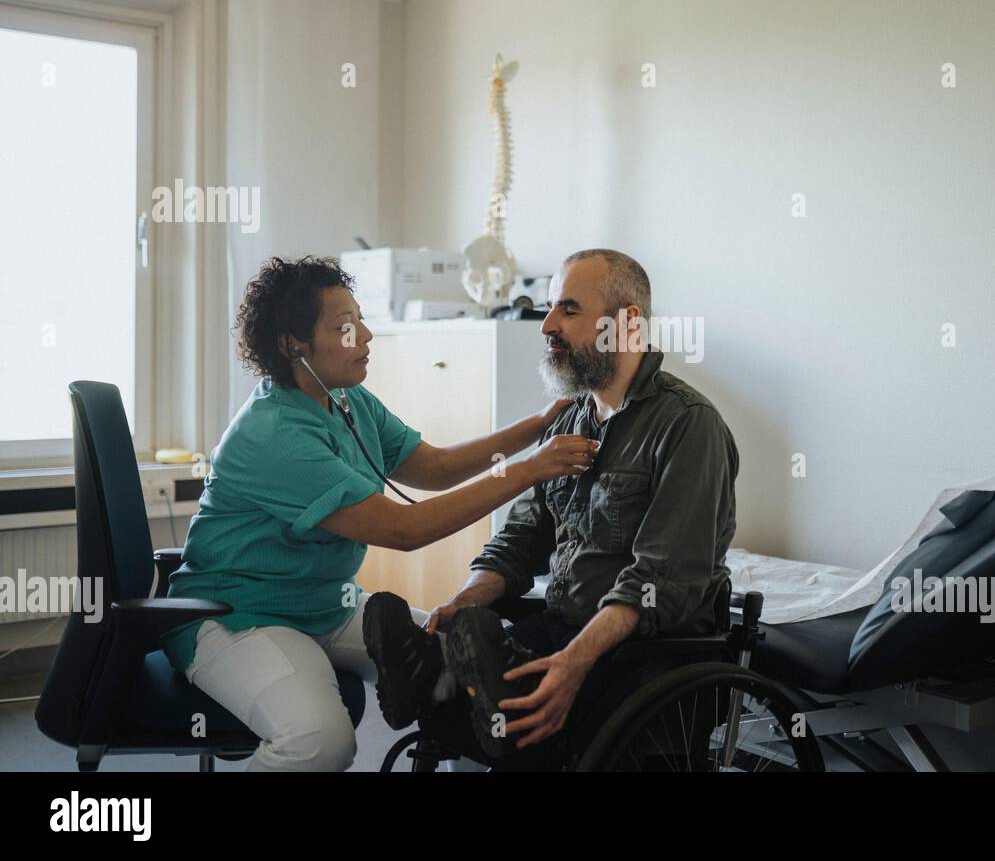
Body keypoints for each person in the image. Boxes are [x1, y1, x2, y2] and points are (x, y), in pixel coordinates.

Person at [158, 255, 597, 771]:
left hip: (325, 605)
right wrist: (528, 471)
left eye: (360, 319)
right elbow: (403, 529)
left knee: (479, 670)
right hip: (239, 619)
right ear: (291, 345)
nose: (366, 336)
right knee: (320, 741)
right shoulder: (272, 434)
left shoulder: (344, 399)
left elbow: (433, 466)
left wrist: (536, 427)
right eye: (345, 327)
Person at [364, 249, 739, 768]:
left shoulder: (688, 427)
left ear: (626, 324)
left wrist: (575, 662)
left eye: (567, 309)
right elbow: (519, 543)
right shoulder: (570, 422)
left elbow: (662, 579)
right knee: (471, 652)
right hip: (560, 627)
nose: (545, 326)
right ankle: (438, 669)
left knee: (501, 692)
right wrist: (466, 600)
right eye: (549, 308)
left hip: (643, 655)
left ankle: (457, 680)